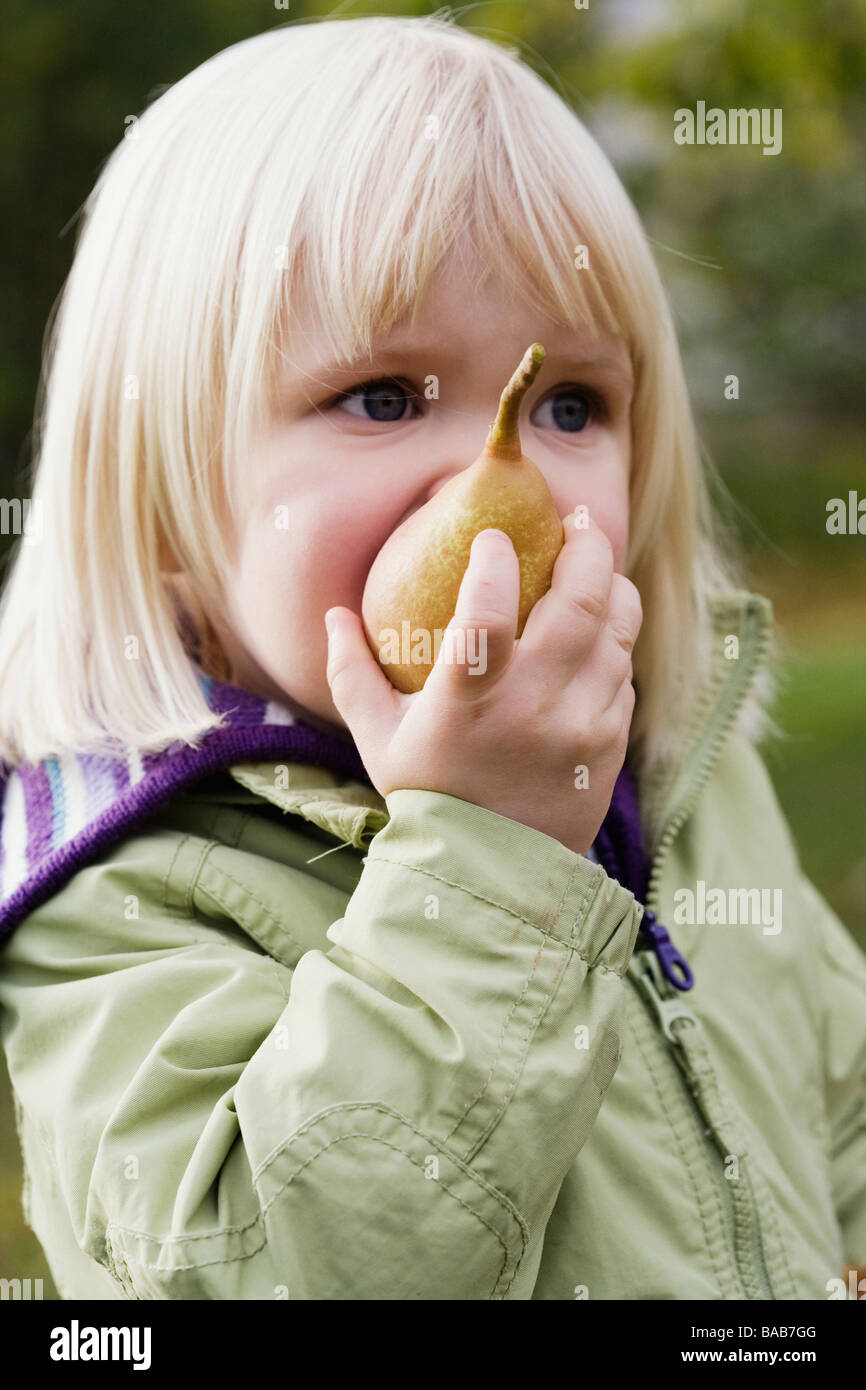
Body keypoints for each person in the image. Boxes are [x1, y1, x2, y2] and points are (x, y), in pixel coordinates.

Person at [0, 15, 863, 1301]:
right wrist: (487, 859)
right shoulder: (130, 881)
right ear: (168, 503)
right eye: (385, 395)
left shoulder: (679, 780)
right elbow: (261, 1280)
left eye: (569, 404)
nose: (493, 473)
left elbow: (831, 1112)